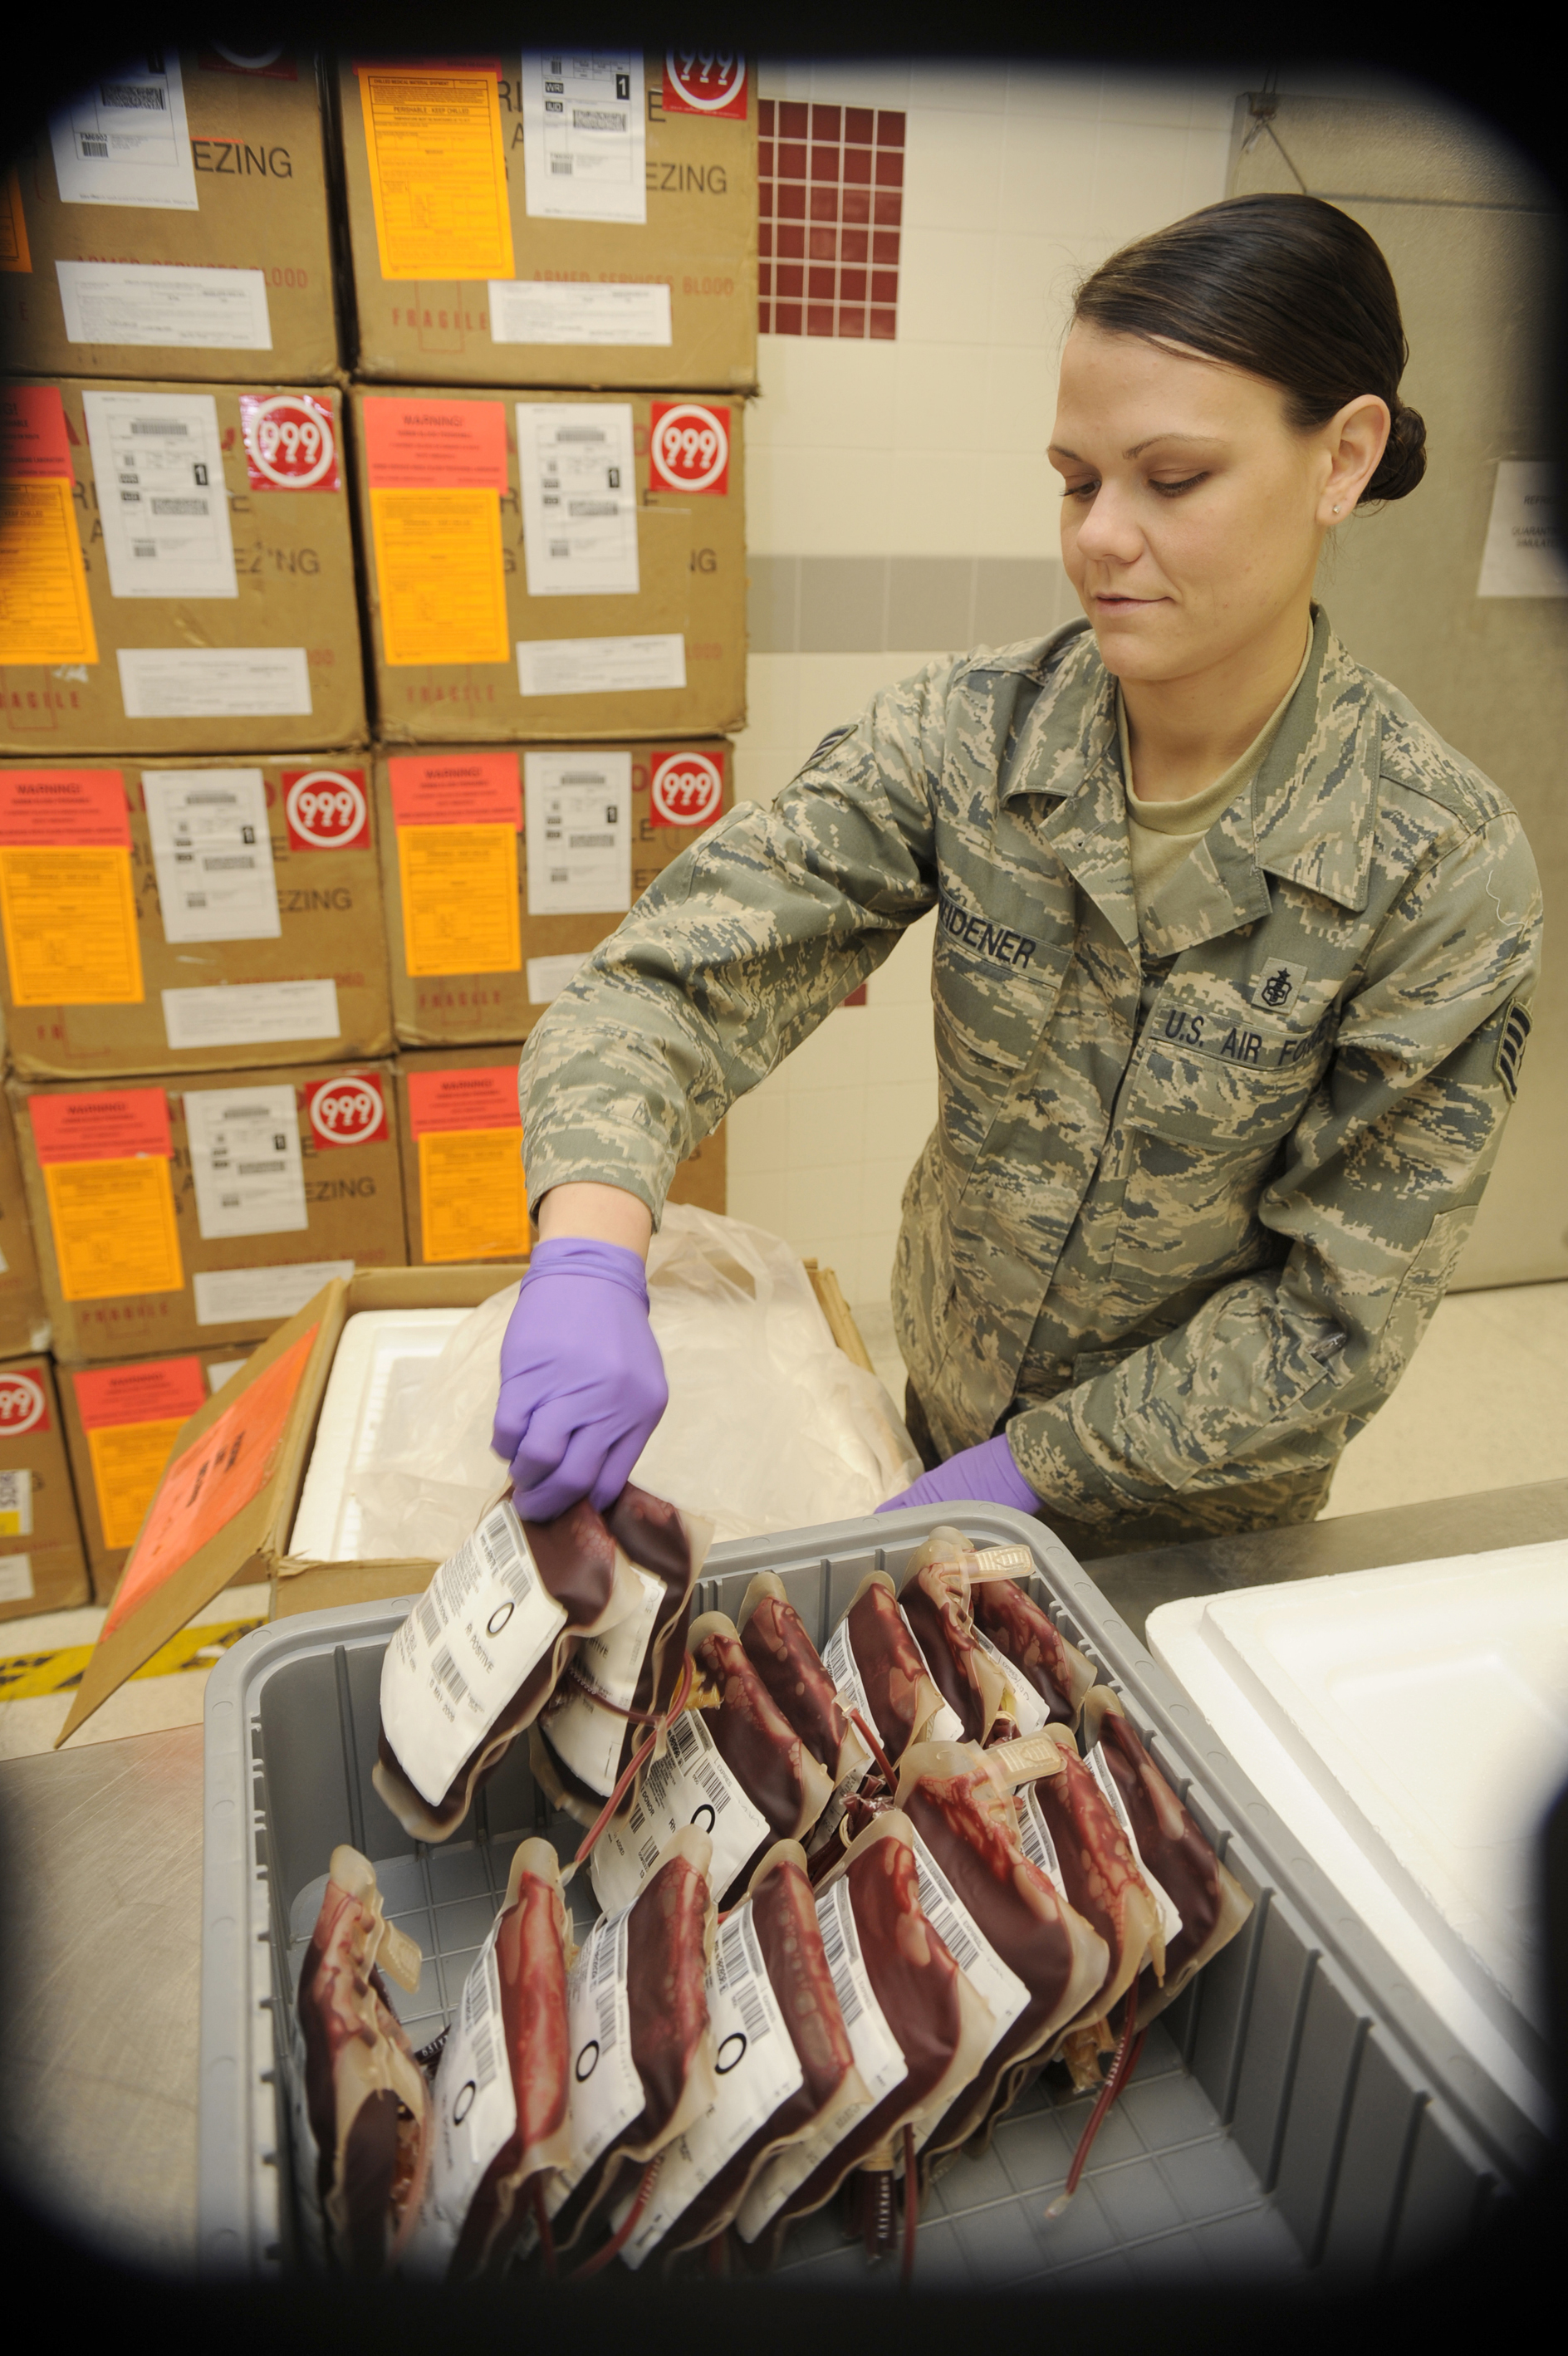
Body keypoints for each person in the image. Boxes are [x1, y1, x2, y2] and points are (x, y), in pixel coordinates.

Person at [493, 193, 1542, 1555]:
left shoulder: (1438, 869)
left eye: (1171, 481)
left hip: (1196, 1522)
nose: (1100, 536)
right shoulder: (971, 737)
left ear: (1341, 459)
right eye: (1076, 480)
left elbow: (1335, 1312)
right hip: (940, 1408)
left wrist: (1033, 1470)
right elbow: (669, 984)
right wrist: (588, 1247)